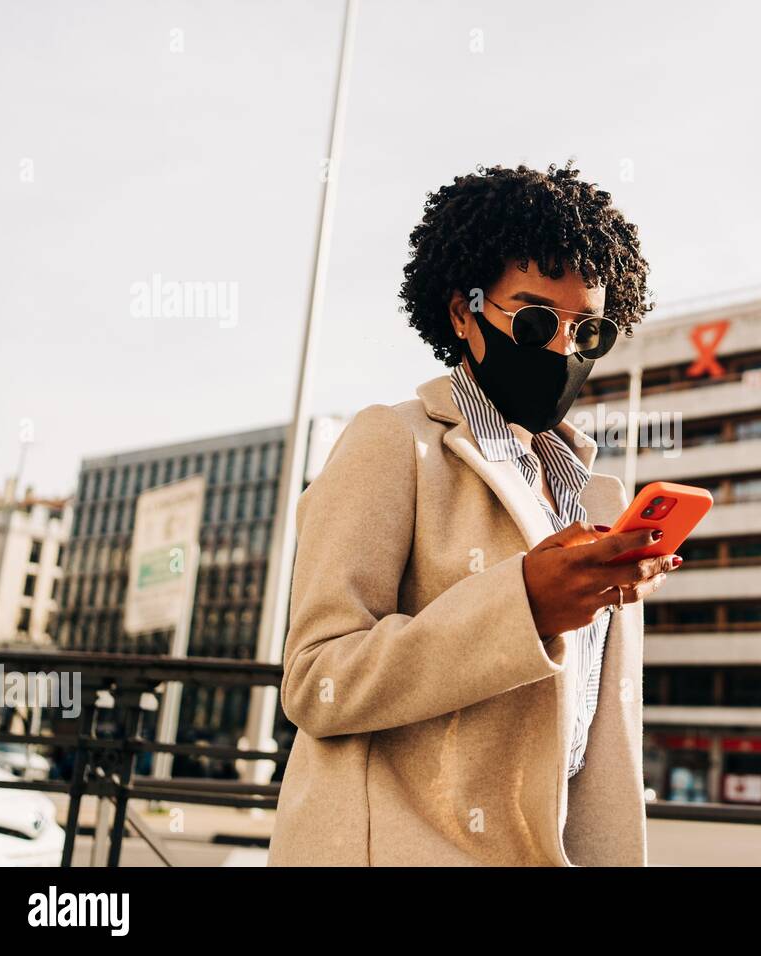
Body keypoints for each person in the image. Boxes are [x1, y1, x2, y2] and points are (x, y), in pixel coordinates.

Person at [267, 160, 672, 866]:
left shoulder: (588, 493)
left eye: (590, 333)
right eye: (537, 320)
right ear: (463, 311)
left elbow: (577, 741)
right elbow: (316, 679)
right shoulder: (392, 442)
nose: (562, 350)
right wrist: (524, 607)